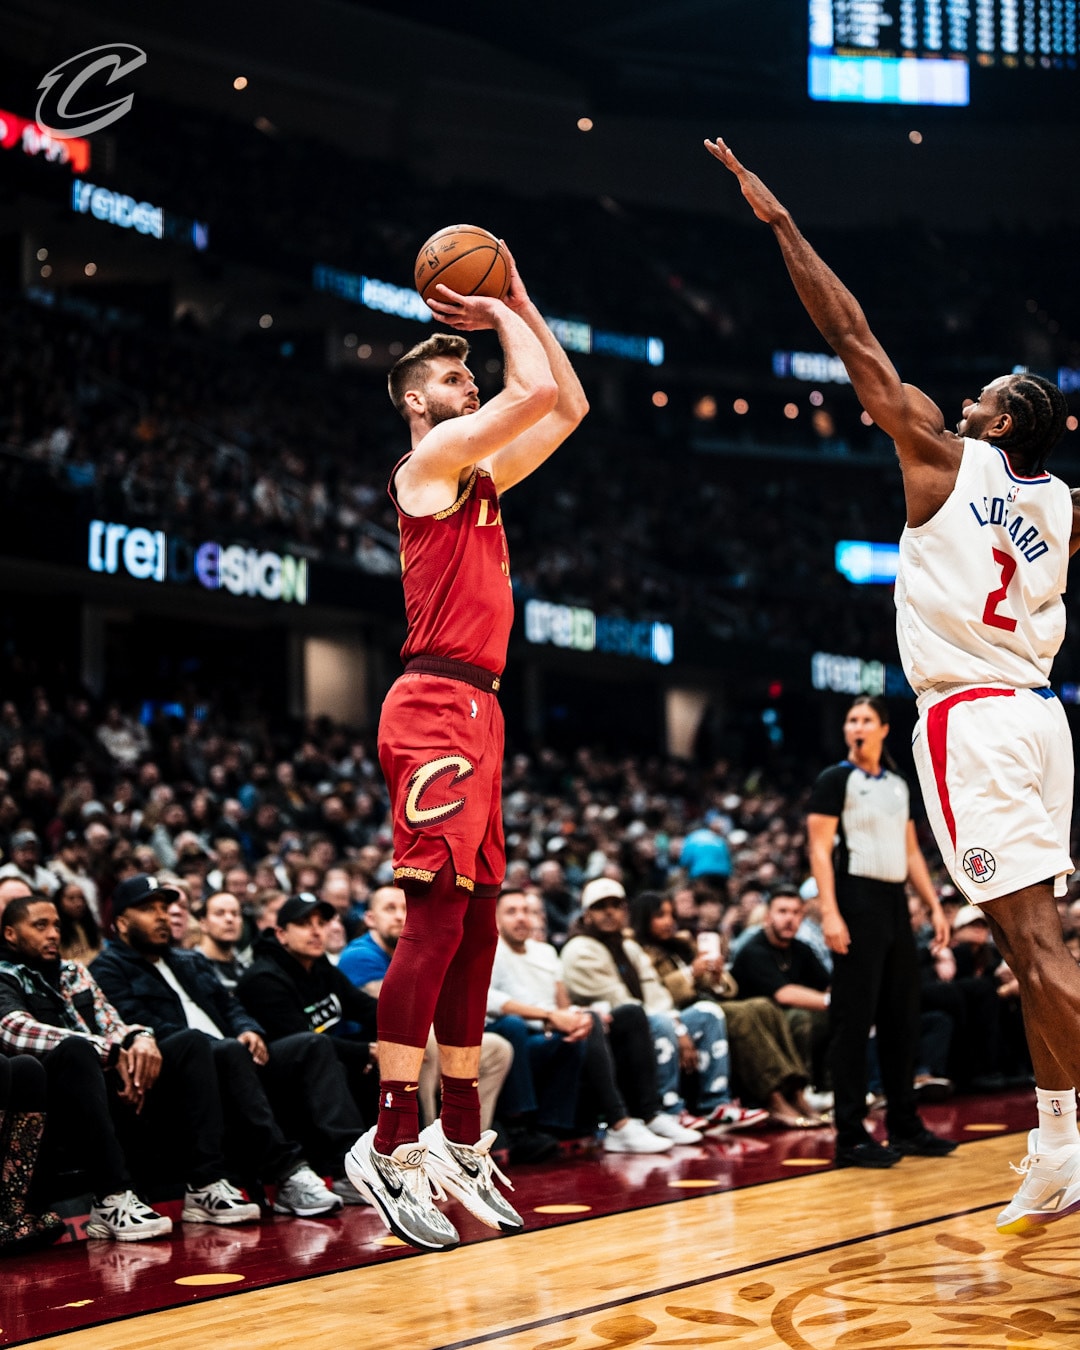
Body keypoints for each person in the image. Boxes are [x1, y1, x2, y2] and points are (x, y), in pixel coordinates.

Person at [707, 136, 1077, 1230]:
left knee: (1041, 949)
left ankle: (1073, 1134)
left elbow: (850, 333)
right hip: (1042, 719)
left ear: (1003, 422)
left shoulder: (936, 452)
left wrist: (780, 225)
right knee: (1027, 943)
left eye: (988, 393)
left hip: (973, 718)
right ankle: (1059, 1142)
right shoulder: (1065, 506)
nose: (966, 395)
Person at [343, 244, 588, 1251]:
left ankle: (463, 1136)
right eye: (449, 374)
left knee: (479, 927)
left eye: (467, 371)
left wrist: (519, 298)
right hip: (435, 704)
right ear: (413, 401)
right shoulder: (428, 466)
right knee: (435, 926)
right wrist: (505, 304)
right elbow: (530, 383)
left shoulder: (478, 475)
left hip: (480, 713)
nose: (469, 379)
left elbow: (563, 404)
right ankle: (392, 1143)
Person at [0, 889, 260, 1240]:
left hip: (108, 1076)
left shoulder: (73, 971)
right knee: (75, 1049)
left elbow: (114, 1022)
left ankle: (205, 1183)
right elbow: (15, 1030)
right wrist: (109, 1050)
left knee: (191, 1043)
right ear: (10, 934)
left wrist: (139, 1039)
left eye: (57, 926)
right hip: (57, 1092)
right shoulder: (5, 975)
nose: (52, 934)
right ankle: (110, 1199)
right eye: (40, 926)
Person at [91, 874, 343, 1220]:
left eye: (165, 908)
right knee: (222, 1050)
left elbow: (230, 1005)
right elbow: (136, 1021)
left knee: (312, 1044)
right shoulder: (107, 968)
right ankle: (287, 1173)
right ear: (120, 922)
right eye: (149, 909)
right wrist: (226, 1043)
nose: (163, 916)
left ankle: (346, 1165)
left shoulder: (189, 960)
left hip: (233, 1055)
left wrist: (246, 1028)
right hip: (181, 1070)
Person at [806, 695, 956, 1168]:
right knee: (853, 1021)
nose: (857, 726)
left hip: (894, 903)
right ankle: (849, 1135)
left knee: (902, 1018)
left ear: (884, 728)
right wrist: (830, 912)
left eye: (866, 719)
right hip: (855, 899)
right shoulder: (835, 780)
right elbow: (818, 850)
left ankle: (906, 1127)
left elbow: (912, 853)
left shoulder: (895, 784)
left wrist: (933, 904)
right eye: (852, 719)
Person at [489, 888, 671, 1156]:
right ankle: (618, 1123)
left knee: (623, 1014)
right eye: (511, 912)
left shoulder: (546, 951)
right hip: (521, 1031)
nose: (521, 918)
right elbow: (491, 1000)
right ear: (495, 918)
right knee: (519, 1026)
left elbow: (563, 1002)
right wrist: (551, 1018)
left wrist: (577, 1015)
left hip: (551, 1027)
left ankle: (649, 1113)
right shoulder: (490, 950)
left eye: (526, 911)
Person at [337, 884, 514, 1152]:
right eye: (390, 909)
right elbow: (397, 1011)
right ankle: (428, 1148)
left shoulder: (420, 948)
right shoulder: (360, 954)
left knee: (498, 1049)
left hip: (420, 1032)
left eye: (406, 909)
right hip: (371, 1042)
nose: (400, 916)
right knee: (424, 1039)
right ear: (370, 919)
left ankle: (467, 1145)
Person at [629, 890, 815, 1130]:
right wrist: (691, 973)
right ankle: (772, 1097)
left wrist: (715, 975)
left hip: (706, 1002)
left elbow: (725, 988)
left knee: (764, 1005)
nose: (669, 921)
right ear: (644, 919)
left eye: (670, 915)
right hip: (681, 1011)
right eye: (660, 916)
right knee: (740, 1015)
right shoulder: (638, 951)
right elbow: (658, 994)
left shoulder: (681, 944)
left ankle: (796, 1091)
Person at [561, 878, 723, 1139]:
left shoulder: (628, 946)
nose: (610, 912)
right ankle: (666, 1110)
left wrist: (678, 1024)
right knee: (656, 1022)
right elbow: (619, 1001)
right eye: (601, 906)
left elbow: (655, 991)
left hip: (644, 1017)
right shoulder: (579, 949)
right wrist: (672, 1025)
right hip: (609, 1033)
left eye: (616, 905)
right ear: (587, 914)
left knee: (707, 1014)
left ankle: (716, 1103)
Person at [728, 885, 832, 1096]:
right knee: (801, 1018)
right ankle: (802, 1090)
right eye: (783, 912)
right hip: (758, 1026)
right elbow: (784, 994)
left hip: (785, 1016)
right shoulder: (753, 950)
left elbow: (826, 984)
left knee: (839, 1016)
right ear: (767, 917)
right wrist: (832, 1000)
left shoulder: (801, 949)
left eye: (796, 912)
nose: (790, 919)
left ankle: (831, 1086)